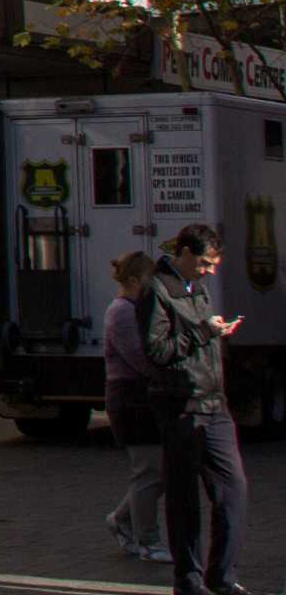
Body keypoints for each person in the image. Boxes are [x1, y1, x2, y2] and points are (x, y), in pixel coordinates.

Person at [144, 222, 248, 595]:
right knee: (184, 497)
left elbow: (196, 334)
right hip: (181, 406)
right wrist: (204, 332)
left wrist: (215, 330)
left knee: (232, 491)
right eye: (205, 263)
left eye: (213, 264)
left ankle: (222, 577)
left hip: (214, 403)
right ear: (185, 253)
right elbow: (156, 350)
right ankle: (188, 581)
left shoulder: (195, 286)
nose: (210, 270)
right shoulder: (157, 289)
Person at [103, 251, 168, 565]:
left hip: (143, 396)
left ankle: (122, 518)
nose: (152, 285)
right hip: (131, 398)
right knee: (149, 470)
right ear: (132, 280)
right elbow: (139, 358)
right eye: (147, 279)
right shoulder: (122, 312)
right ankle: (148, 540)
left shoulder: (137, 308)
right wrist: (172, 371)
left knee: (159, 470)